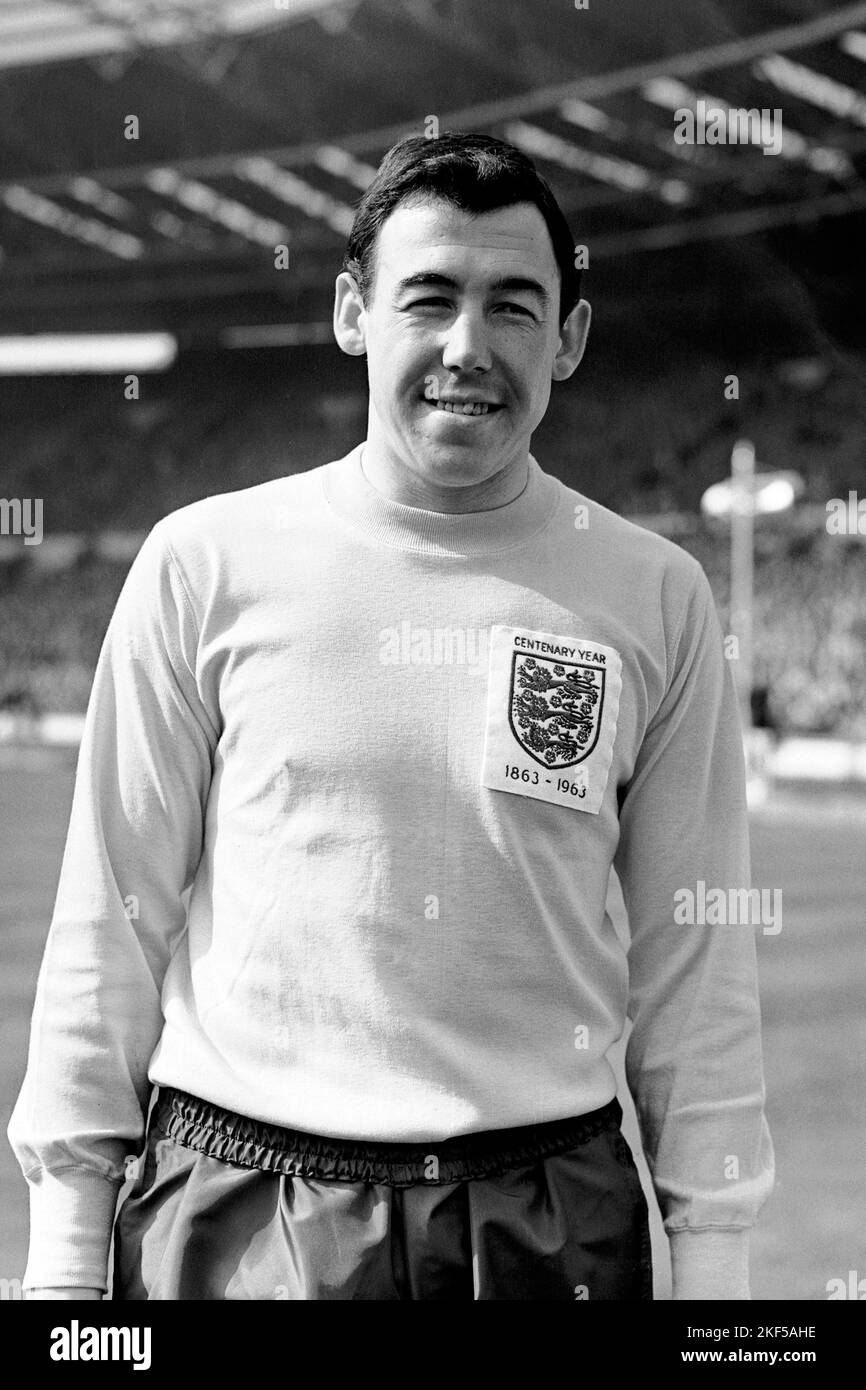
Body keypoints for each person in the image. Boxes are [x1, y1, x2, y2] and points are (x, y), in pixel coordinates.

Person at [9, 132, 774, 1301]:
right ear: (351, 312)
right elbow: (111, 915)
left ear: (566, 337)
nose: (467, 346)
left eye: (513, 306)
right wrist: (64, 1250)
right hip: (241, 1201)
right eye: (429, 298)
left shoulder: (654, 592)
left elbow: (693, 956)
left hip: (547, 1212)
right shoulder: (203, 564)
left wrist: (715, 1271)